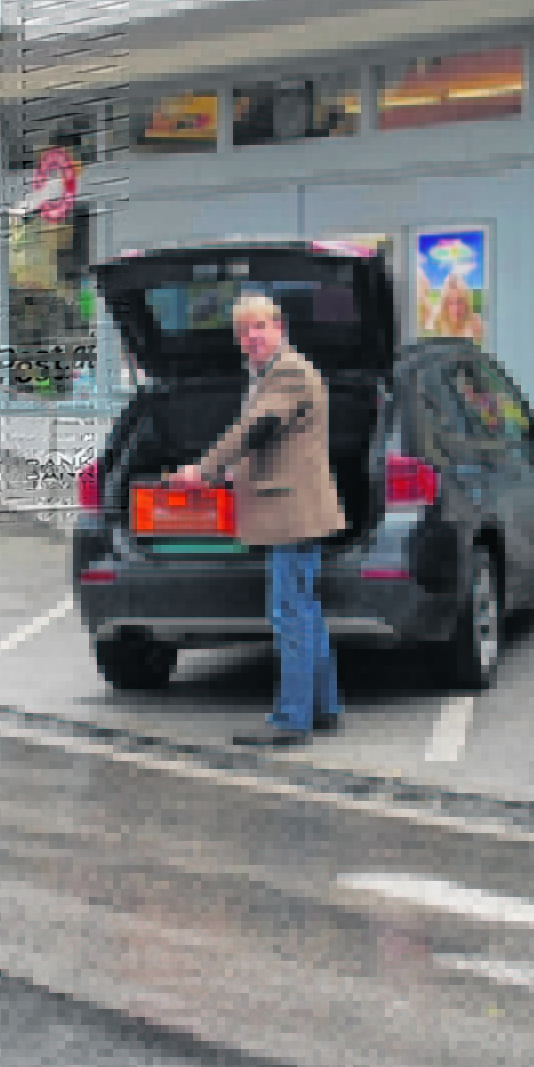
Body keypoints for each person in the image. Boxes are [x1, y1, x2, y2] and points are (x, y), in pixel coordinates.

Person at [168, 290, 346, 746]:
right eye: (244, 331)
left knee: (290, 613)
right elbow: (273, 441)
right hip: (293, 510)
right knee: (304, 610)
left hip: (291, 513)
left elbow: (257, 428)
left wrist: (204, 469)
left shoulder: (288, 371)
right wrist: (234, 473)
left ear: (279, 327)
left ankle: (291, 720)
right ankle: (322, 707)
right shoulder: (272, 373)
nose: (251, 337)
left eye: (259, 327)